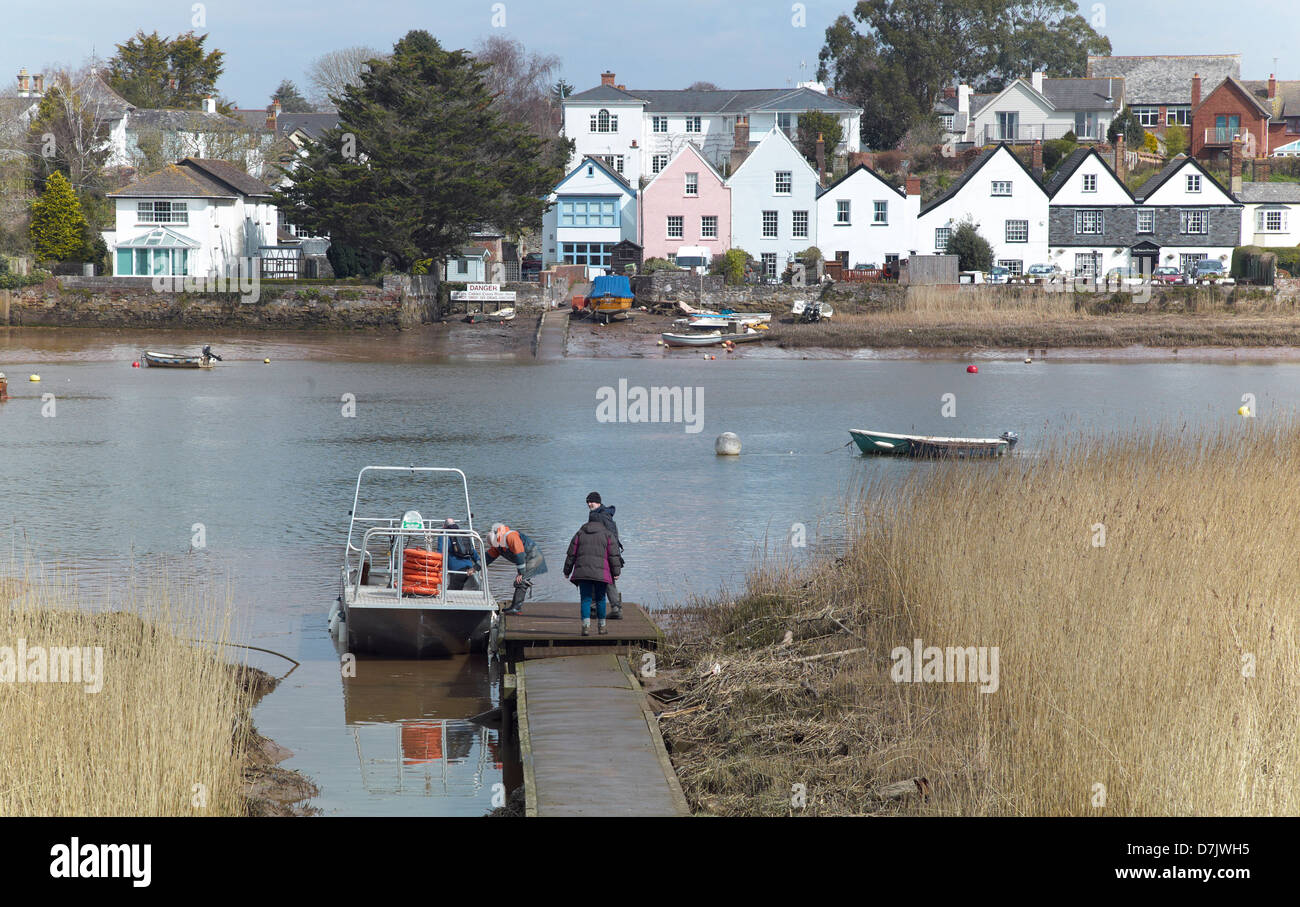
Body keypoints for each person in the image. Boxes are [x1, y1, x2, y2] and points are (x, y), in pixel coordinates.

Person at [563, 508, 621, 636]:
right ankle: (602, 627)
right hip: (601, 574)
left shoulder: (579, 533)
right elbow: (613, 555)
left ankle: (585, 627)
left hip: (583, 573)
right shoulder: (608, 534)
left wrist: (567, 570)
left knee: (585, 599)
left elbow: (571, 554)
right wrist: (616, 572)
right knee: (601, 599)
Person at [486, 523, 547, 614]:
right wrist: (476, 567)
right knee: (520, 581)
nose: (493, 547)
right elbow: (488, 557)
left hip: (534, 557)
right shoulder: (497, 545)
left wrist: (521, 573)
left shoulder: (511, 537)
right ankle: (515, 607)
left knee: (521, 581)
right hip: (526, 559)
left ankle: (516, 608)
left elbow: (520, 554)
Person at [586, 492, 624, 619]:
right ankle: (615, 608)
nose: (589, 504)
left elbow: (612, 537)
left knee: (595, 579)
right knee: (608, 581)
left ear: (598, 502)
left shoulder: (600, 516)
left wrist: (616, 558)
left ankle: (594, 610)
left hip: (604, 554)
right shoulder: (602, 514)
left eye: (591, 501)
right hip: (603, 553)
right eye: (588, 502)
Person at [438, 518, 480, 590]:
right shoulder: (464, 535)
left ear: (444, 526)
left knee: (451, 594)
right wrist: (478, 566)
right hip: (470, 570)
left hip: (456, 571)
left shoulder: (444, 535)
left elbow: (440, 554)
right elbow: (474, 554)